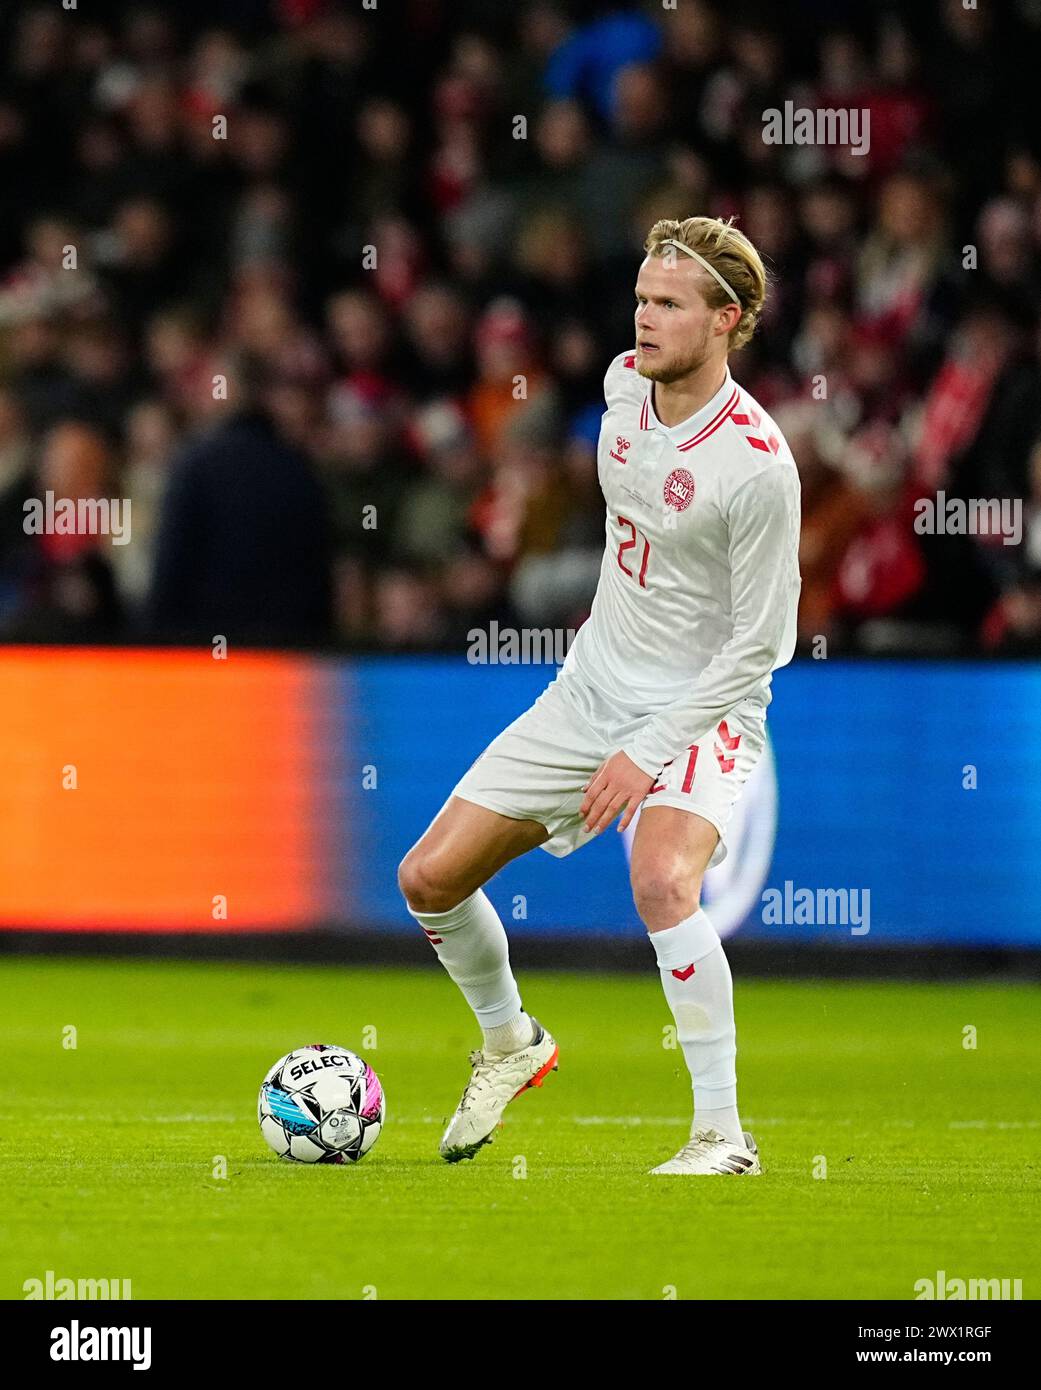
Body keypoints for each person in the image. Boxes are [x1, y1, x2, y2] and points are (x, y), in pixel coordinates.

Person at [398, 216, 802, 1175]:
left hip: (703, 706)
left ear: (725, 321)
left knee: (662, 879)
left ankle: (721, 1136)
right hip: (588, 690)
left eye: (667, 304)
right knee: (427, 880)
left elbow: (760, 647)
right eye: (639, 299)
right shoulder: (625, 388)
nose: (644, 320)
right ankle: (510, 1043)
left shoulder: (757, 465)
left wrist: (649, 746)